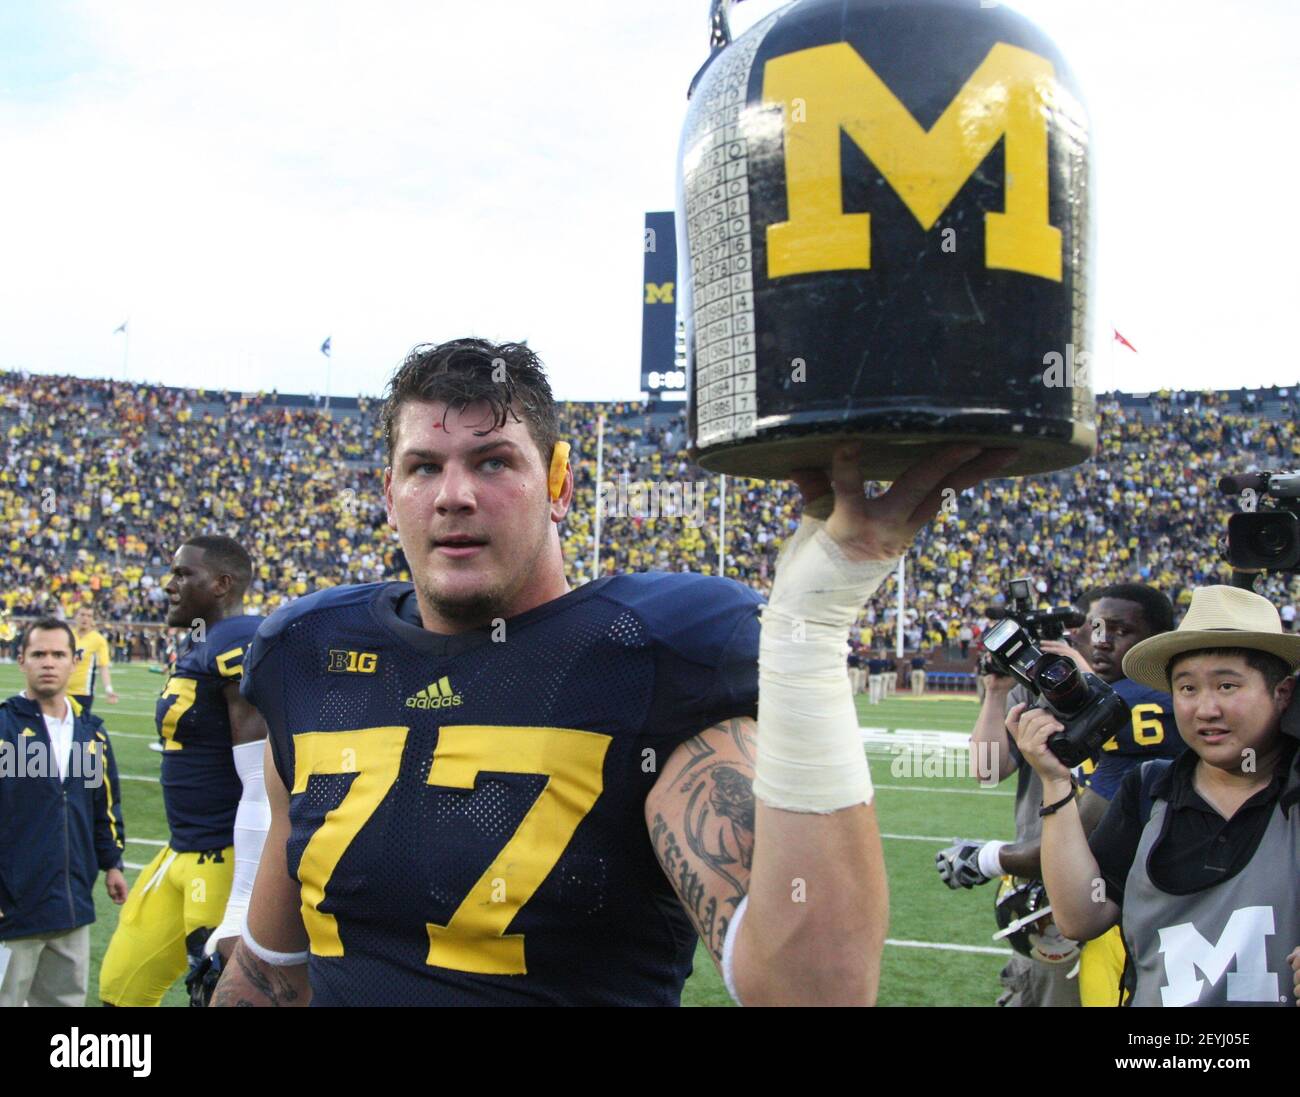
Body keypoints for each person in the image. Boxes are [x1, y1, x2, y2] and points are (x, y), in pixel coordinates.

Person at [212, 337, 1012, 1006]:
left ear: (559, 483)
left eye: (493, 462)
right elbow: (274, 962)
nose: (453, 495)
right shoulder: (308, 651)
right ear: (388, 493)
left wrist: (811, 631)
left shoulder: (651, 651)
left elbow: (817, 990)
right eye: (423, 467)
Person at [1017, 585, 1300, 1007]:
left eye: (1226, 686)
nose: (1205, 709)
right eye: (1187, 689)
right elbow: (1080, 915)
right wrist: (1056, 784)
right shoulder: (1150, 789)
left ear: (1283, 694)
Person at [938, 584, 1183, 1004]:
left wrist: (988, 857)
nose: (1103, 640)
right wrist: (996, 692)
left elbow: (1095, 828)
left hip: (1115, 889)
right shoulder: (1041, 686)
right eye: (1095, 628)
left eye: (1119, 631)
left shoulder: (1155, 705)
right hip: (1049, 884)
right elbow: (987, 768)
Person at [98, 536, 270, 1006]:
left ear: (221, 584)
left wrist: (245, 894)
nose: (168, 585)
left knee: (215, 994)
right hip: (182, 846)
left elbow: (260, 778)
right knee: (121, 987)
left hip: (224, 853)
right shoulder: (201, 641)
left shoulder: (239, 640)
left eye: (182, 574)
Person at [0, 618, 127, 1006]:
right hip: (12, 909)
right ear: (21, 660)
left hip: (71, 905)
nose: (49, 662)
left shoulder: (91, 733)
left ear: (75, 662)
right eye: (38, 654)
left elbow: (102, 803)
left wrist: (113, 863)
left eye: (58, 654)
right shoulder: (4, 728)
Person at [68, 606, 119, 716]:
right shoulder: (67, 636)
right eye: (82, 615)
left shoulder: (98, 640)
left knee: (79, 729)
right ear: (75, 616)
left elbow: (103, 667)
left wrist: (109, 690)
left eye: (89, 616)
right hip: (61, 691)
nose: (85, 618)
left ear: (93, 620)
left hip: (83, 693)